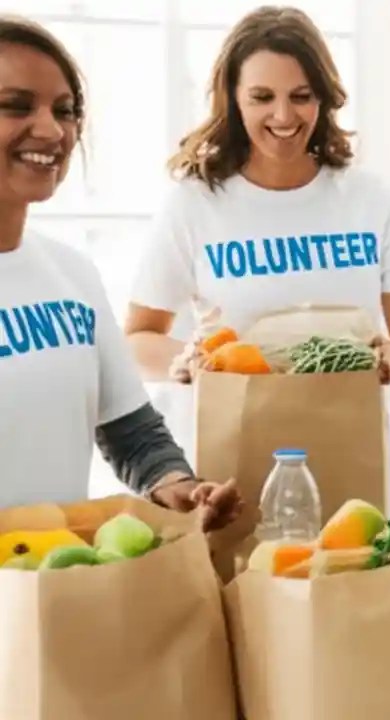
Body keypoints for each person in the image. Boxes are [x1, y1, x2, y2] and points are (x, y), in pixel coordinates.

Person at [0, 16, 240, 529]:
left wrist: (177, 487)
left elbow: (131, 432)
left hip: (51, 588)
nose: (50, 129)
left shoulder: (72, 275)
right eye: (14, 105)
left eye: (64, 111)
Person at [124, 6, 390, 393]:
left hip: (351, 440)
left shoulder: (372, 201)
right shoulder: (194, 204)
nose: (283, 116)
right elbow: (137, 340)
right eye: (262, 97)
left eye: (301, 96)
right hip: (235, 442)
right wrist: (190, 361)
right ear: (234, 99)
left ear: (323, 98)